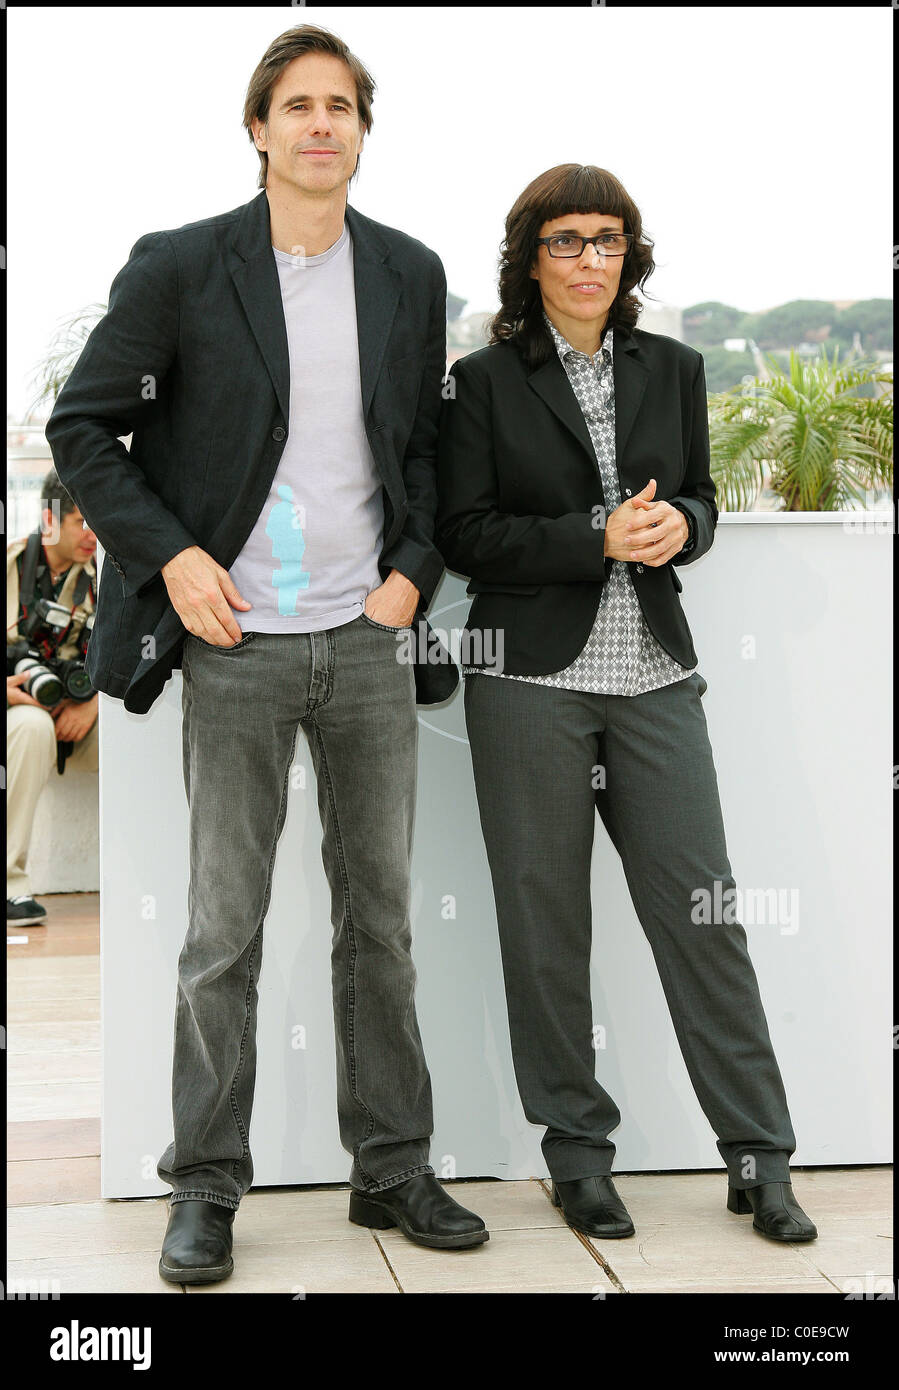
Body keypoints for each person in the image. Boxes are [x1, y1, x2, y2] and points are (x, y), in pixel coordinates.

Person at [46, 24, 486, 1285]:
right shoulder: (184, 267)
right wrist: (174, 557)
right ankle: (205, 1186)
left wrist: (412, 570)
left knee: (381, 924)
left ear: (361, 129)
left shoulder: (406, 272)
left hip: (366, 637)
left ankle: (393, 1169)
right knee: (221, 931)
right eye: (295, 105)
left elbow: (418, 447)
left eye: (340, 105)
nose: (318, 124)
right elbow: (83, 428)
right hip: (230, 639)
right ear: (256, 128)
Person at [435, 163, 817, 1245]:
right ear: (530, 257)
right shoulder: (481, 381)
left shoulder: (676, 367)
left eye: (607, 240)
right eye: (566, 242)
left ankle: (758, 1154)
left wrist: (677, 528)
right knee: (544, 927)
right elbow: (463, 533)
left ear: (629, 254)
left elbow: (695, 494)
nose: (589, 260)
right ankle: (576, 1154)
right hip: (526, 684)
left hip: (652, 673)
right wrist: (587, 537)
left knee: (704, 918)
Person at [7, 470, 99, 926]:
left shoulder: (105, 572)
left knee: (142, 730)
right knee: (29, 726)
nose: (91, 534)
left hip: (83, 715)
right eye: (80, 522)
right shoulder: (12, 563)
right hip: (22, 713)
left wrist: (95, 702)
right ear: (49, 520)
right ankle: (10, 886)